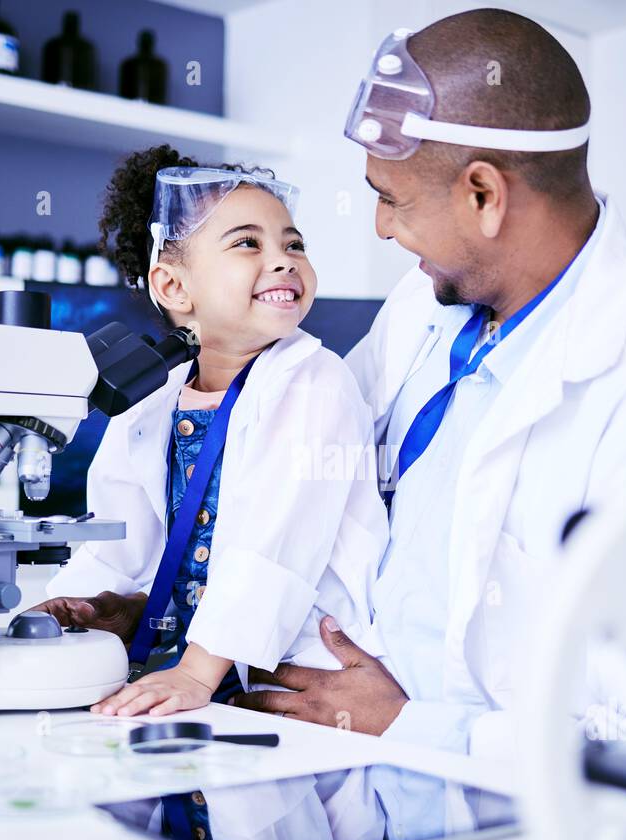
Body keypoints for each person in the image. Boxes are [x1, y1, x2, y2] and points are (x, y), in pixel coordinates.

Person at [232, 9, 626, 758]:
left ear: (483, 196)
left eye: (392, 198)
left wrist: (408, 728)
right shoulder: (425, 304)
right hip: (367, 807)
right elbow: (305, 469)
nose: (382, 229)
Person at [36, 145, 388, 716]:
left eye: (293, 243)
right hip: (184, 673)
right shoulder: (151, 399)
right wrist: (82, 605)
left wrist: (197, 673)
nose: (283, 260)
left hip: (289, 674)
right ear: (174, 287)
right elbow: (118, 538)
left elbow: (275, 543)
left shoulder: (313, 380)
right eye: (248, 243)